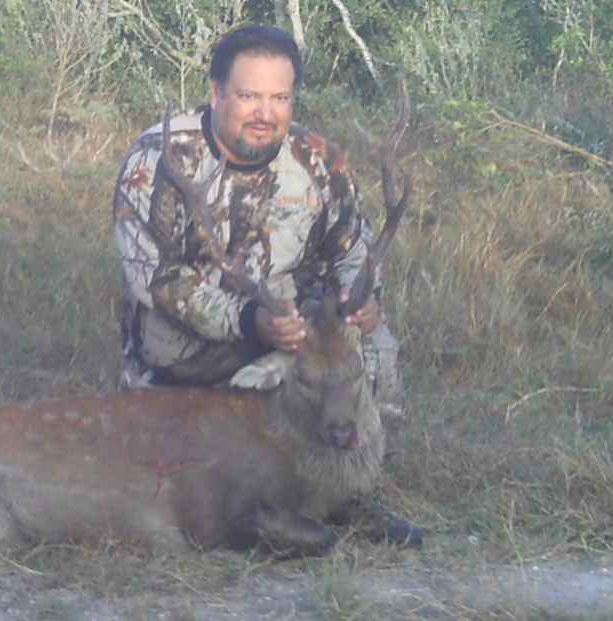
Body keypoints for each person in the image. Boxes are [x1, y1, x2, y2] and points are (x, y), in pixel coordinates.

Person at [112, 24, 403, 450]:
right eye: (249, 96)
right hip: (192, 341)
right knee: (181, 452)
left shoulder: (319, 159)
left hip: (300, 329)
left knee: (377, 352)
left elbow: (353, 249)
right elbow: (157, 279)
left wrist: (359, 301)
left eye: (280, 99)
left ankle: (366, 467)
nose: (265, 114)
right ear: (216, 94)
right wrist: (249, 320)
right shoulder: (158, 161)